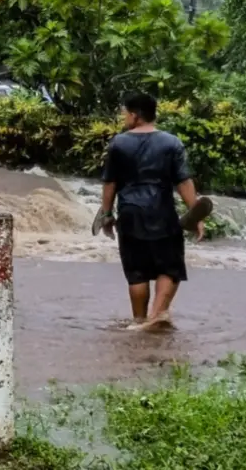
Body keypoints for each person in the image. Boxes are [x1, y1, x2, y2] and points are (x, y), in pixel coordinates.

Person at [94, 92, 207, 330]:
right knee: (169, 266)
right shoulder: (171, 143)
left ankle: (139, 321)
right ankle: (158, 313)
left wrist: (106, 214)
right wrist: (195, 213)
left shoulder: (118, 143)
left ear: (135, 115)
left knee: (137, 271)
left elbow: (110, 183)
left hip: (130, 213)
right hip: (162, 212)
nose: (124, 117)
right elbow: (183, 181)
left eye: (125, 113)